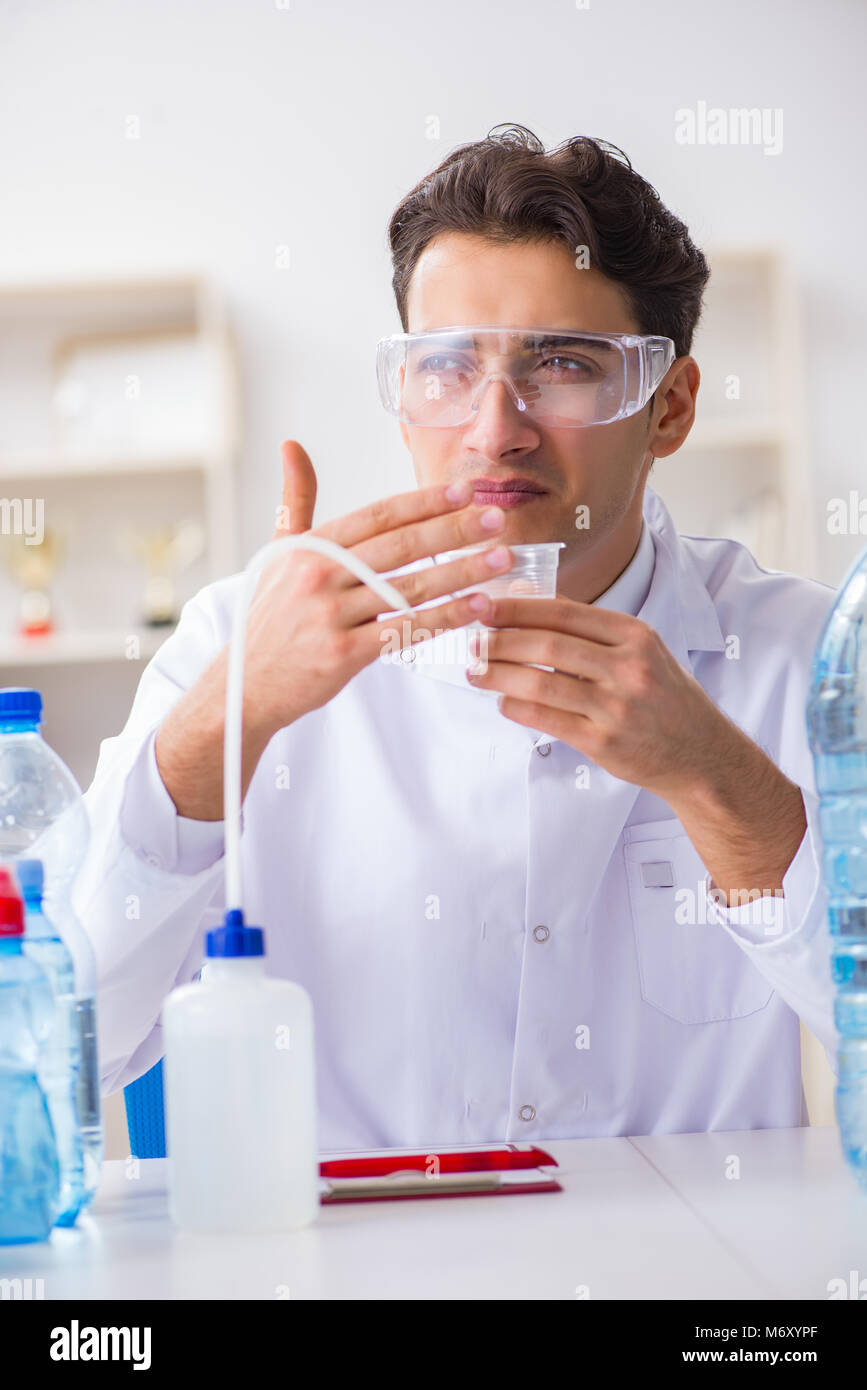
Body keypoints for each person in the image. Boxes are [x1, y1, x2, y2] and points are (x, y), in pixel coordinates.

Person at [75, 124, 836, 1150]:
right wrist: (232, 714)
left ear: (671, 407)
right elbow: (65, 1049)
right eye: (445, 368)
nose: (493, 427)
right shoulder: (240, 639)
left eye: (562, 363)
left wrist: (721, 785)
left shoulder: (801, 659)